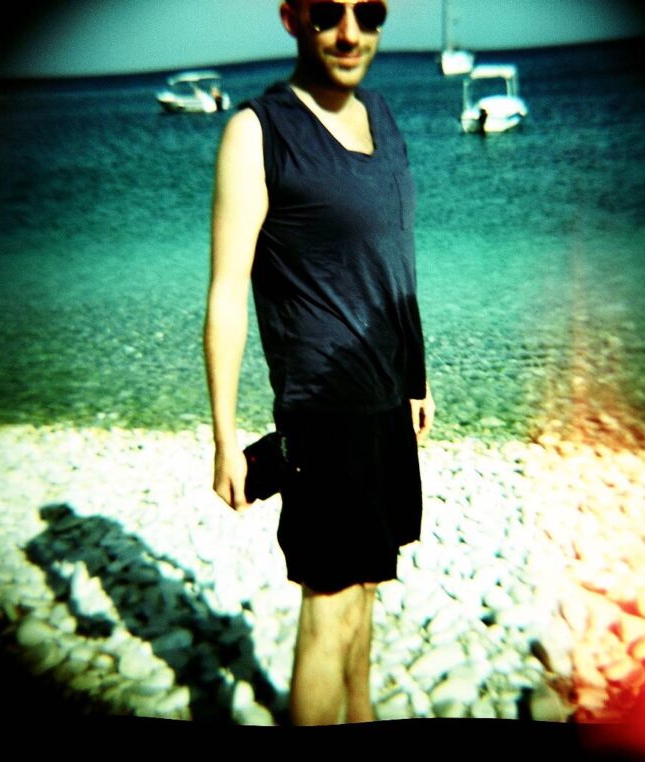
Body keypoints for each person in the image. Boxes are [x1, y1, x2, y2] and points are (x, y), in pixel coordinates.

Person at [204, 0, 435, 725]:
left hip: (386, 398)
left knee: (366, 591)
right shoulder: (258, 132)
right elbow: (226, 292)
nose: (349, 31)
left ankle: (361, 713)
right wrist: (223, 437)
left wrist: (417, 377)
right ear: (291, 18)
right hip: (323, 408)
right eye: (329, 12)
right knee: (328, 611)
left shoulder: (383, 118)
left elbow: (395, 260)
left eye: (369, 12)